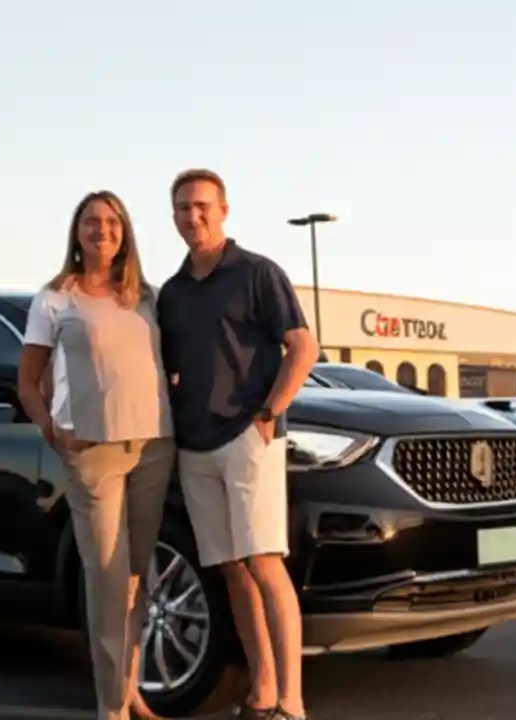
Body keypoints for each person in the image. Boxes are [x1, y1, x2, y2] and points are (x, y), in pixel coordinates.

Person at [157, 169, 319, 720]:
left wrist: (269, 413)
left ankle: (292, 703)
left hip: (248, 439)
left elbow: (303, 346)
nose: (193, 215)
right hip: (195, 447)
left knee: (265, 563)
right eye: (183, 207)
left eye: (202, 205)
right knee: (231, 569)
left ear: (223, 210)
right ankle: (263, 693)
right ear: (174, 217)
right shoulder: (173, 293)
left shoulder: (257, 273)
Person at [16, 190, 176, 720]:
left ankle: (128, 688)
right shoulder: (55, 299)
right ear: (77, 232)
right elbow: (28, 382)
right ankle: (112, 709)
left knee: (135, 577)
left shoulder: (147, 298)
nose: (102, 229)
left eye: (112, 221)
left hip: (153, 445)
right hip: (93, 452)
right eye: (91, 221)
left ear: (125, 232)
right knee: (107, 580)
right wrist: (53, 432)